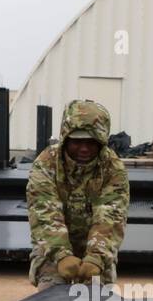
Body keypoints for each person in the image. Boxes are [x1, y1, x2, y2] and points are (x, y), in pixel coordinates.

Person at [25, 99, 130, 289]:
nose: (84, 148)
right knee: (51, 295)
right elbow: (44, 213)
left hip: (98, 246)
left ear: (102, 142)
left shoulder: (113, 168)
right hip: (52, 246)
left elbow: (111, 215)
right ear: (65, 138)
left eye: (91, 142)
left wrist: (97, 257)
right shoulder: (46, 164)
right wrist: (61, 255)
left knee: (100, 299)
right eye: (77, 141)